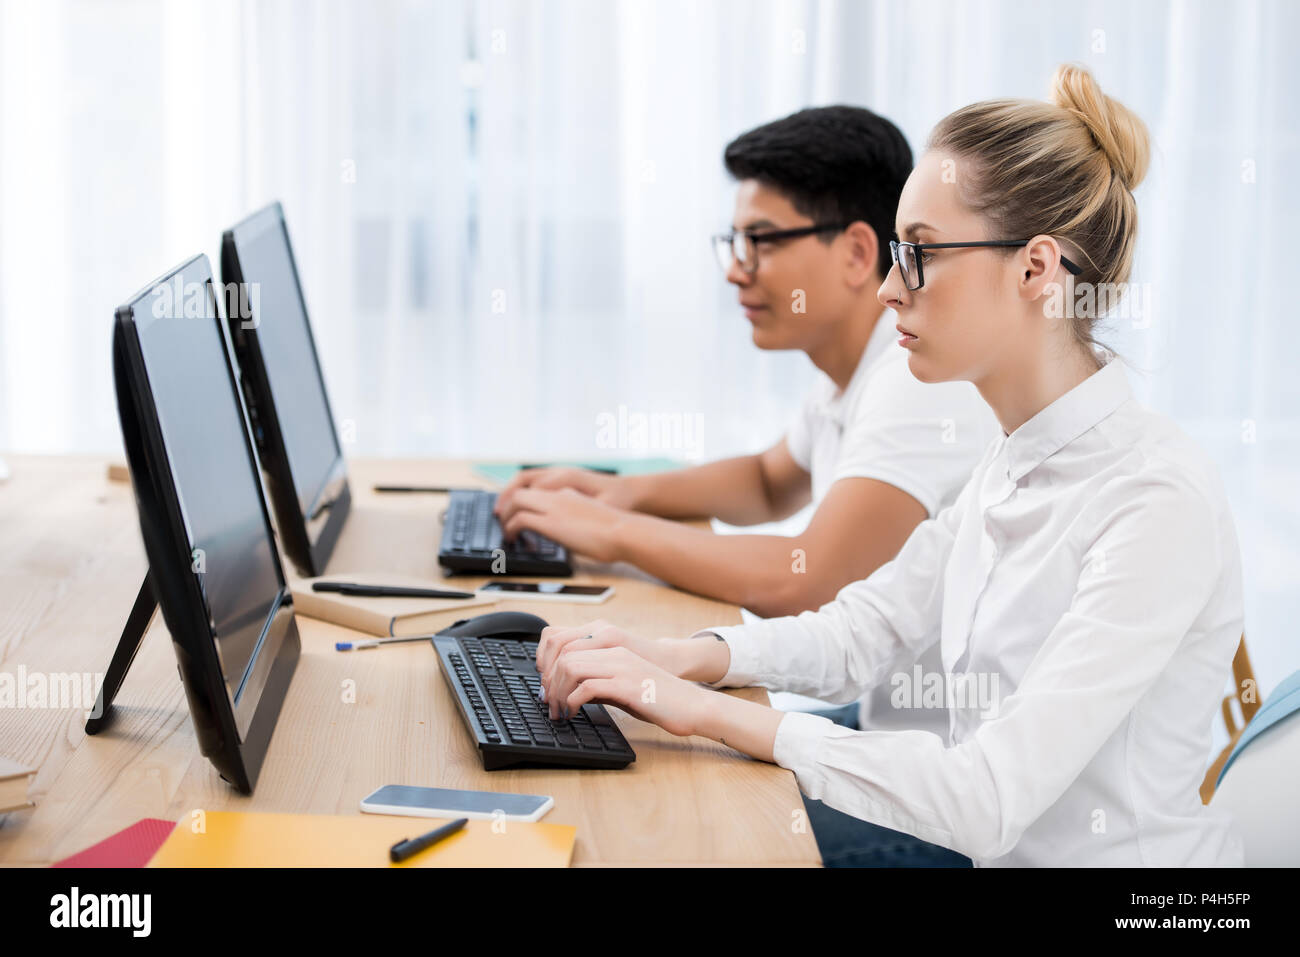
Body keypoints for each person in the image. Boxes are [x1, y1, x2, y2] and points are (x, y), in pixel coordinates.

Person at [527, 64, 1246, 867]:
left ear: (1036, 270)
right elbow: (864, 628)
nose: (890, 290)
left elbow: (986, 798)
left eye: (922, 255)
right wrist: (682, 655)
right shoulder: (1016, 458)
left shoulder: (1152, 498)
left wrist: (702, 709)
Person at [494, 108, 996, 865]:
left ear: (858, 252)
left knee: (671, 837)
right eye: (736, 241)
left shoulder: (914, 381)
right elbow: (767, 481)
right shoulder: (855, 368)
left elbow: (811, 577)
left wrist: (613, 535)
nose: (736, 266)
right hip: (887, 719)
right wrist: (612, 494)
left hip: (942, 785)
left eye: (761, 241)